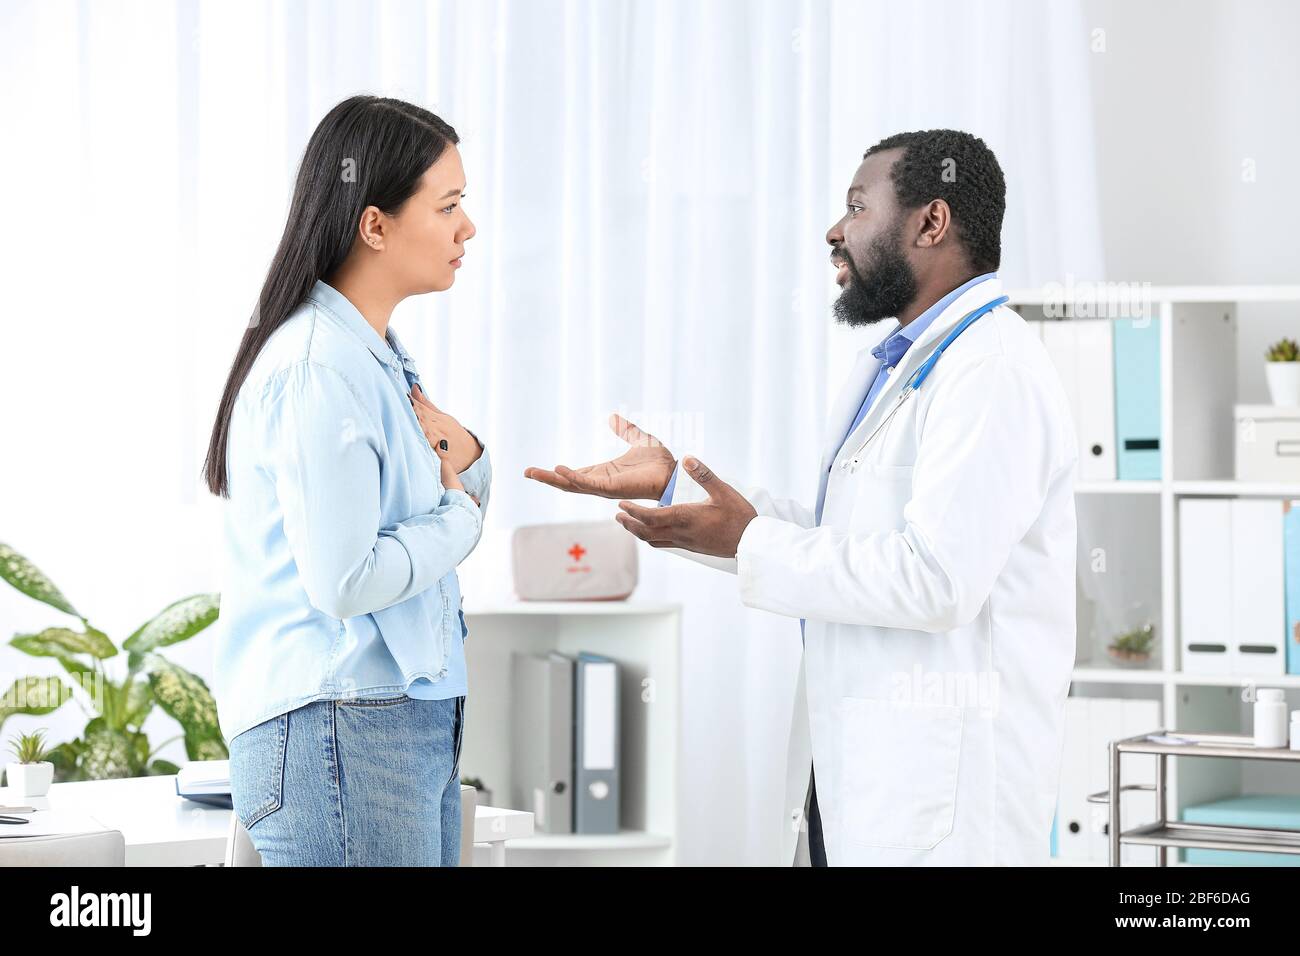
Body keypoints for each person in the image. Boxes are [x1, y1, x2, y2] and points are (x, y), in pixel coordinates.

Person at [527, 129, 1077, 866]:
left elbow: (938, 581)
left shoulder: (991, 370)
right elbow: (836, 539)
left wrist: (748, 542)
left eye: (857, 206)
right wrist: (671, 486)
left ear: (930, 222)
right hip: (861, 781)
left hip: (950, 809)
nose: (834, 230)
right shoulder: (897, 365)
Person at [203, 95, 489, 866]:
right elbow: (346, 579)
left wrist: (471, 465)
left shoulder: (372, 357)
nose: (468, 229)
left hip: (394, 720)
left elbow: (444, 480)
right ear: (375, 224)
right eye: (450, 205)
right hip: (343, 723)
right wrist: (462, 522)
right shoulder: (317, 369)